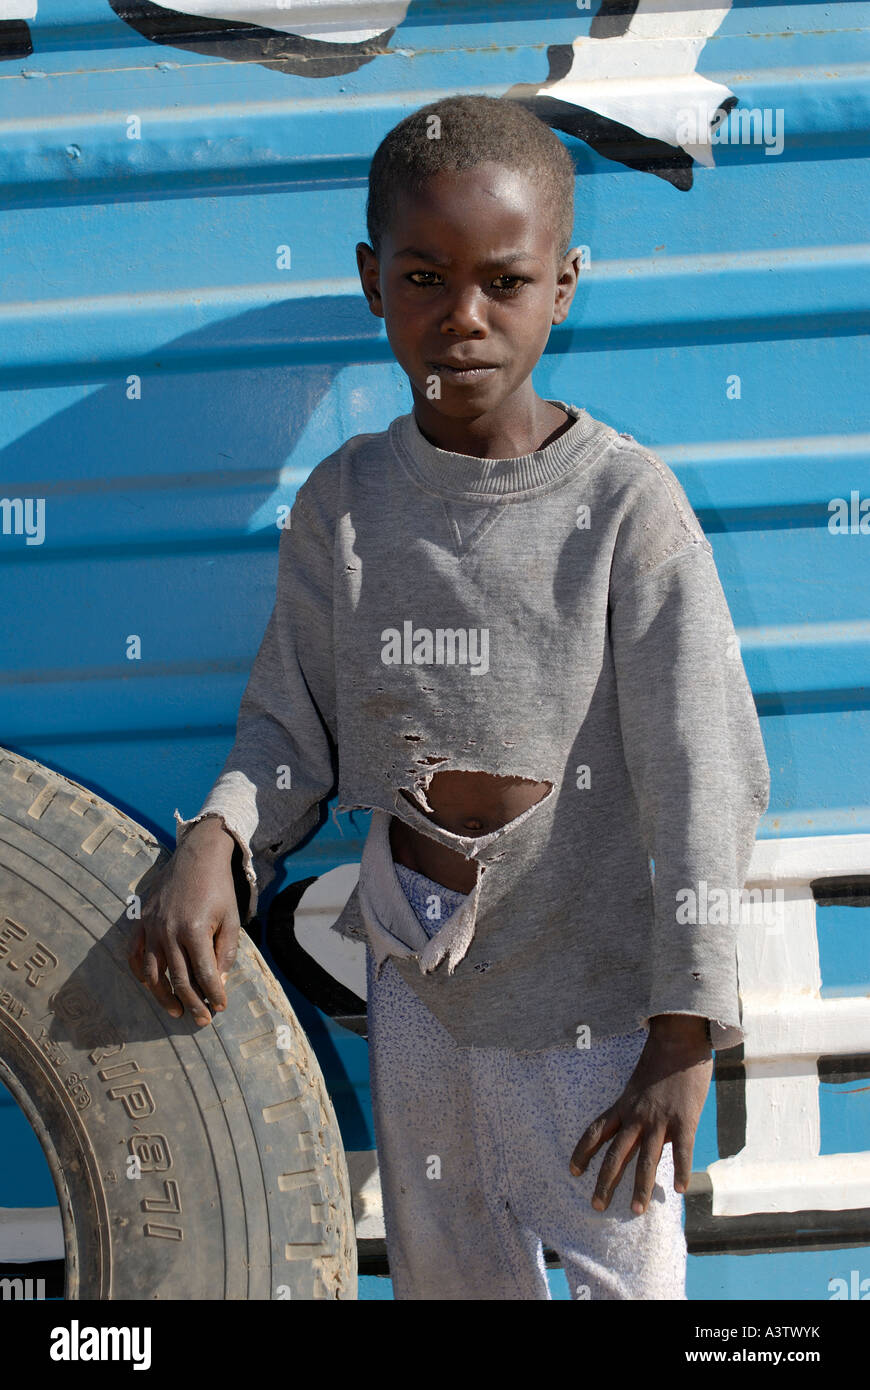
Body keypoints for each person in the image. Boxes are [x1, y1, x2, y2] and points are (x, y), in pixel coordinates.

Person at [129, 94, 770, 1300]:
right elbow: (290, 731)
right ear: (374, 280)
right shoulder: (346, 505)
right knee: (453, 1283)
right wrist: (219, 831)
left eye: (504, 283)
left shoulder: (628, 509)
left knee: (630, 1279)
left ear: (563, 285)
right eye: (425, 277)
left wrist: (689, 1026)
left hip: (593, 1016)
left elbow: (707, 774)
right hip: (420, 1001)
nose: (462, 318)